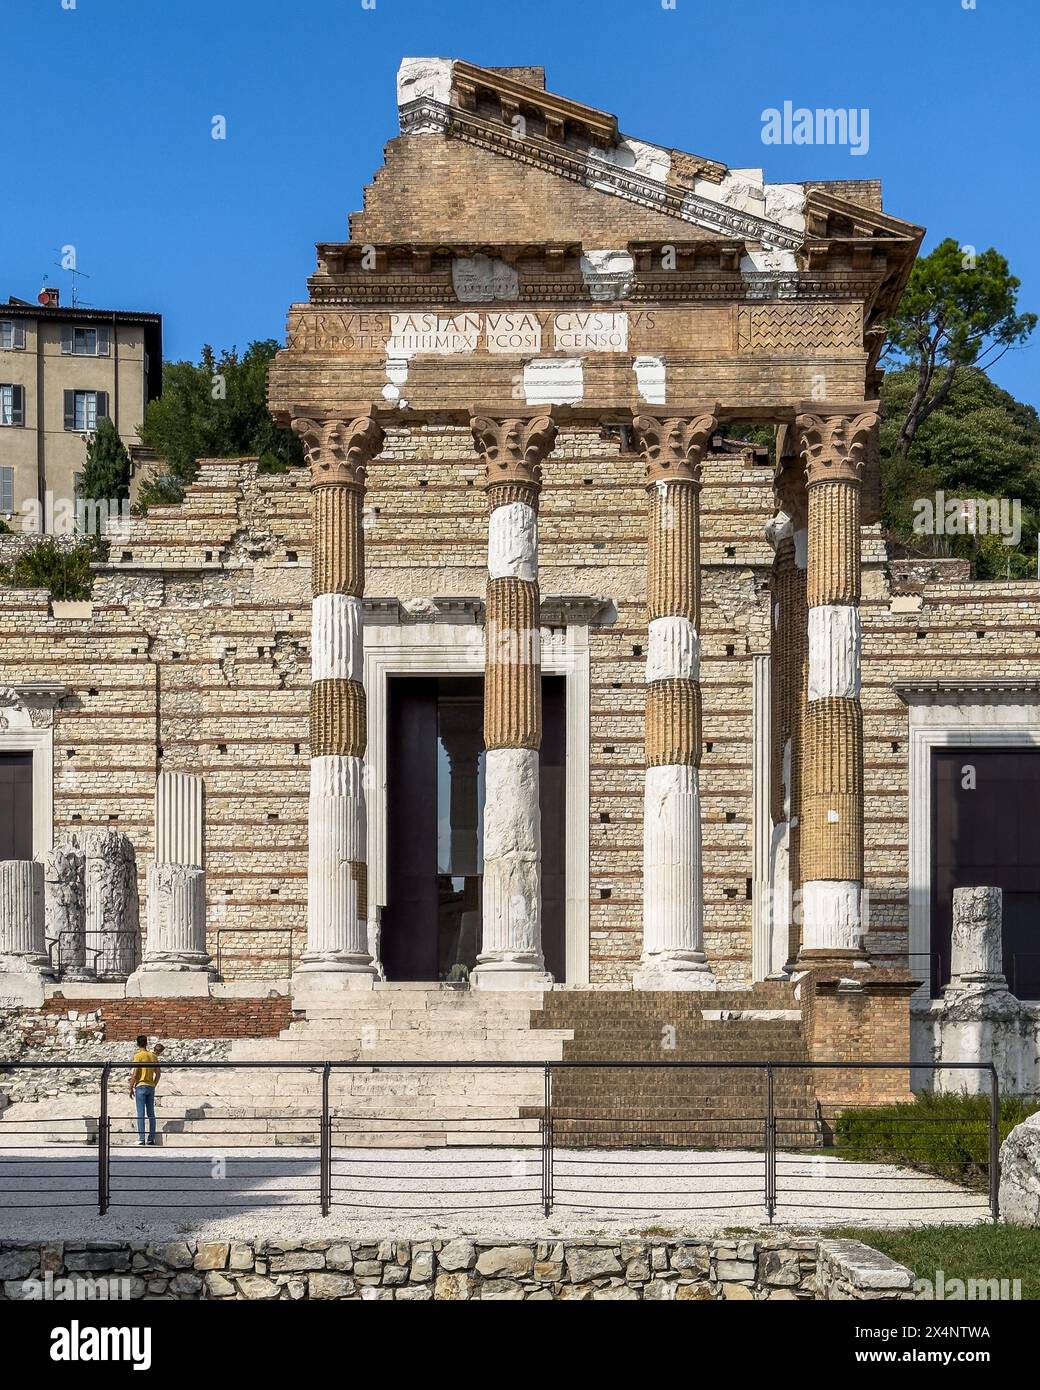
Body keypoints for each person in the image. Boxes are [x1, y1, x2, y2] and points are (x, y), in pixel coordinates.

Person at [129, 1035, 162, 1146]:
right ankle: (151, 1138)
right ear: (146, 1043)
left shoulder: (138, 1056)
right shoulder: (153, 1056)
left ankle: (141, 1138)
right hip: (150, 1086)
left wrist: (130, 1087)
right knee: (151, 1113)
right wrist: (154, 1084)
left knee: (141, 1113)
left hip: (140, 1086)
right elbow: (158, 1073)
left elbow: (135, 1073)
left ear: (138, 1044)